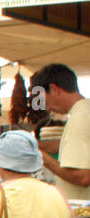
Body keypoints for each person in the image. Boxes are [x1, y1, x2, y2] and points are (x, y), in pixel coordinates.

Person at [31, 63, 90, 200]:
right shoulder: (85, 109)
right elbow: (74, 143)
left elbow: (83, 177)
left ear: (54, 89)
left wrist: (42, 157)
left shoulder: (79, 118)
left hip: (83, 213)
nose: (46, 107)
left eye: (42, 98)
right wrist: (38, 145)